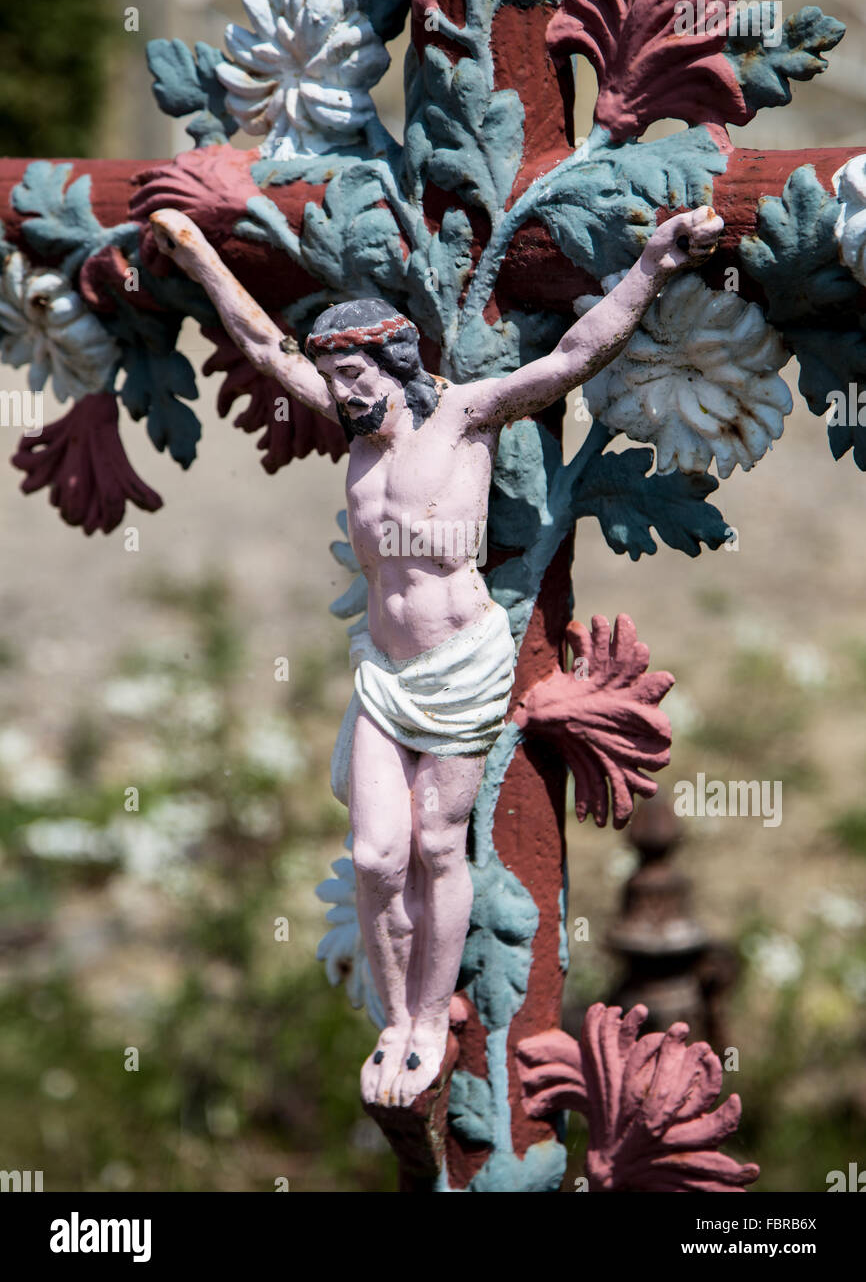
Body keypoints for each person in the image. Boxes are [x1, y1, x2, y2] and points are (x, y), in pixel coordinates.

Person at [151, 202, 724, 1107]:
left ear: (393, 364)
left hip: (459, 670)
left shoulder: (463, 417)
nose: (340, 393)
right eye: (333, 377)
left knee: (432, 843)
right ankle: (395, 1019)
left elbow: (574, 356)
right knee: (377, 857)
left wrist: (654, 262)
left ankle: (428, 1018)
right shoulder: (354, 439)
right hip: (383, 675)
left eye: (353, 375)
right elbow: (264, 348)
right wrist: (195, 256)